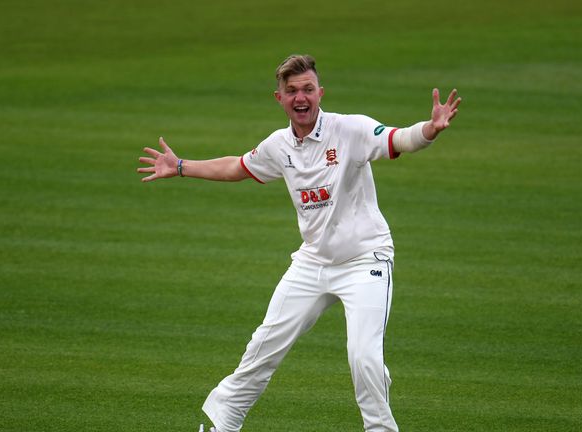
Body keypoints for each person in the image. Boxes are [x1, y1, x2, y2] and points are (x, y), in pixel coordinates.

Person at [137, 54, 461, 432]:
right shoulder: (279, 146)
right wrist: (180, 166)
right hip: (313, 262)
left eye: (307, 89)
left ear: (320, 93)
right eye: (291, 91)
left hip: (364, 261)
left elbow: (399, 138)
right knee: (263, 347)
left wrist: (431, 128)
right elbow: (238, 167)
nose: (300, 97)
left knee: (363, 358)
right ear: (279, 98)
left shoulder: (350, 130)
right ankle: (224, 423)